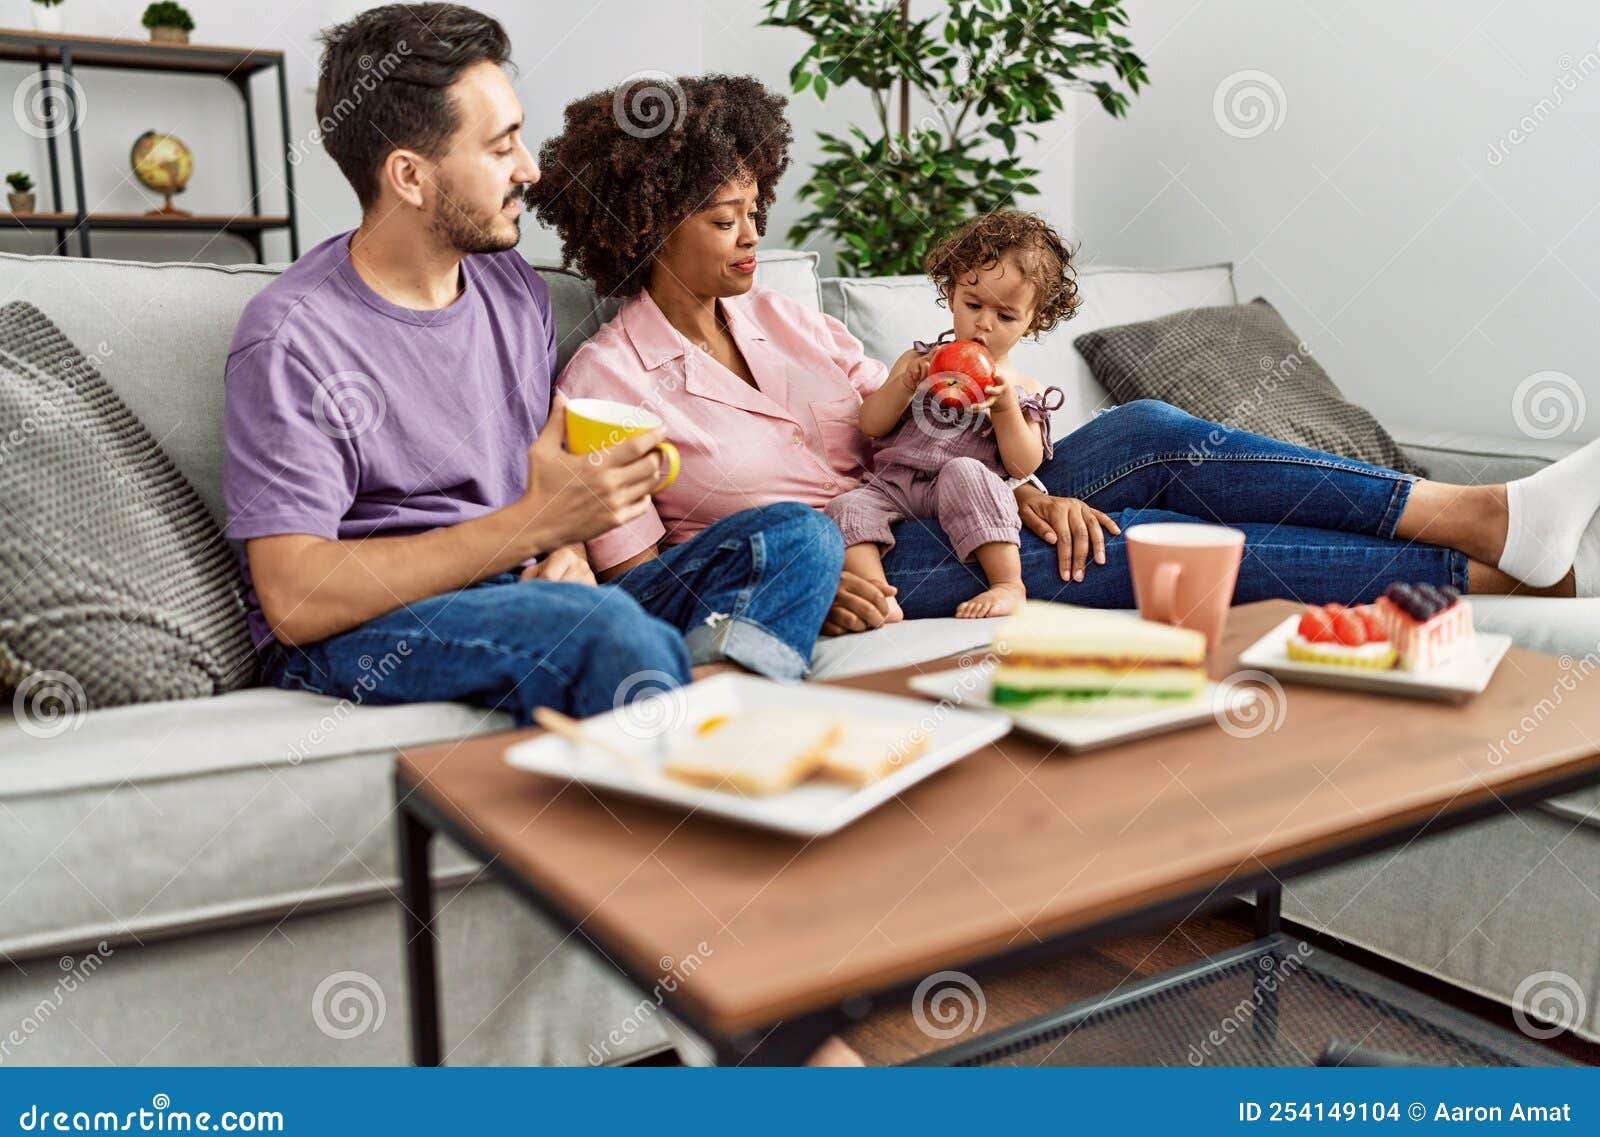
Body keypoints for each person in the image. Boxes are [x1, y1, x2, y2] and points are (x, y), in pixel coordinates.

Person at [530, 74, 1599, 643]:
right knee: (1156, 539)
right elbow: (642, 582)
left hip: (947, 500)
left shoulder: (788, 321)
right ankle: (1504, 569)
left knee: (1138, 434)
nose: (753, 237)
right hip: (875, 572)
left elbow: (915, 429)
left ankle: (1476, 514)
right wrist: (802, 595)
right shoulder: (605, 387)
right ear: (644, 227)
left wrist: (1027, 487)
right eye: (724, 220)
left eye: (755, 209)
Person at [222, 6, 842, 729]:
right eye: (500, 147)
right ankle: (704, 734)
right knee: (606, 634)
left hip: (529, 586)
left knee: (799, 536)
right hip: (370, 628)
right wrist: (531, 533)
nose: (530, 169)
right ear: (409, 176)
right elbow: (295, 597)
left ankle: (705, 705)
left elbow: (539, 478)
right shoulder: (292, 338)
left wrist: (569, 550)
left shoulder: (510, 289)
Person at [824, 209, 1071, 620]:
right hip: (896, 485)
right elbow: (870, 425)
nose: (983, 325)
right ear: (951, 292)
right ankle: (877, 596)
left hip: (960, 492)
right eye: (972, 304)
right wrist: (903, 385)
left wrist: (1006, 408)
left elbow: (1022, 464)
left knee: (969, 472)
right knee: (846, 507)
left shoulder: (1022, 388)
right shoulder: (920, 360)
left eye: (1006, 315)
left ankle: (1009, 584)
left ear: (1034, 321)